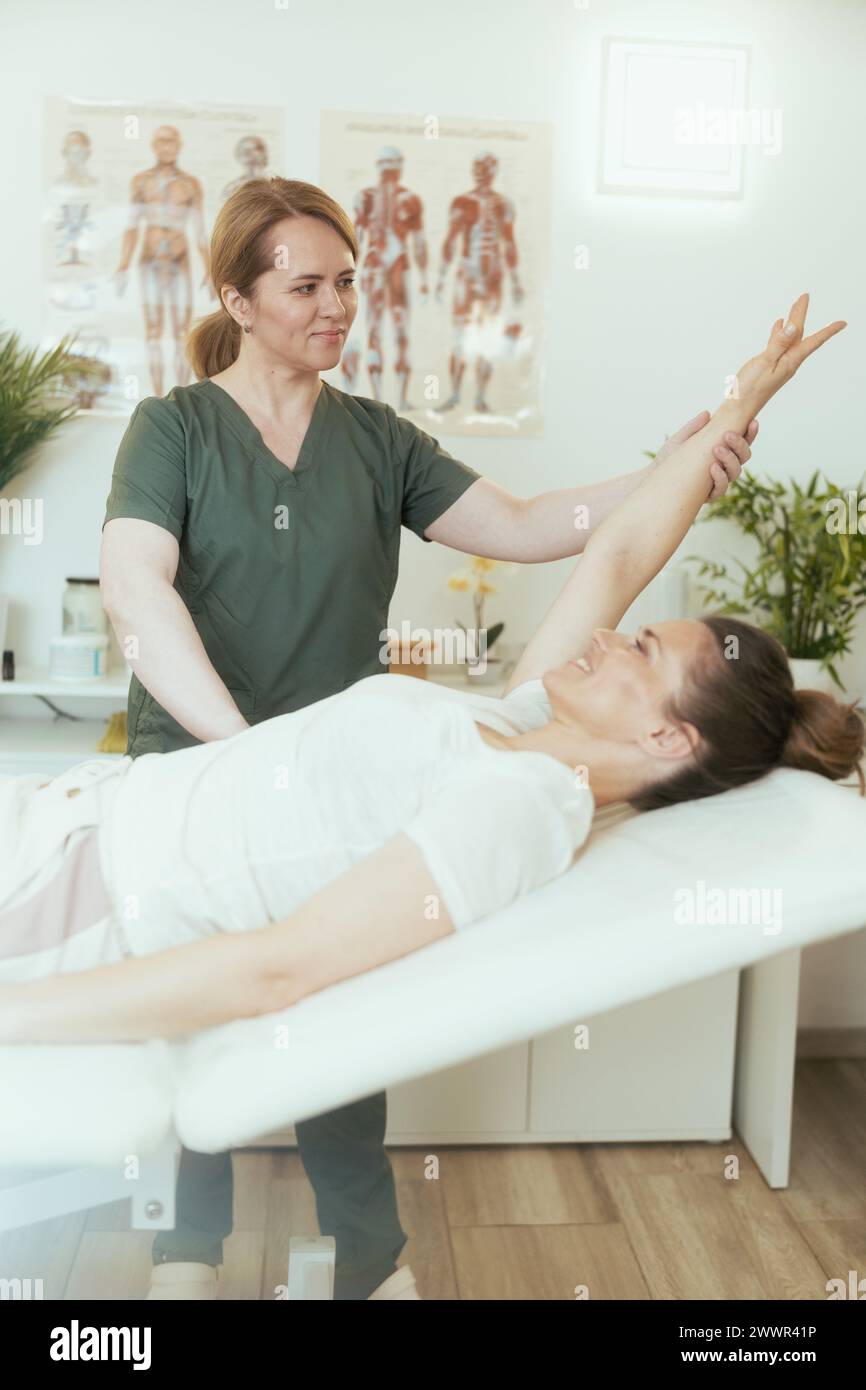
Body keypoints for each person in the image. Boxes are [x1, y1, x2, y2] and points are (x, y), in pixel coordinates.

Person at [93, 174, 755, 1301]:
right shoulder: (174, 430)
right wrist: (242, 746)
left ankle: (369, 1263)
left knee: (346, 1027)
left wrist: (670, 466)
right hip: (198, 776)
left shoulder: (375, 440)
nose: (336, 304)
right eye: (305, 285)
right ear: (237, 300)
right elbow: (135, 593)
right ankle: (187, 1255)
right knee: (195, 1007)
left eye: (347, 281)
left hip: (346, 794)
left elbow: (531, 523)